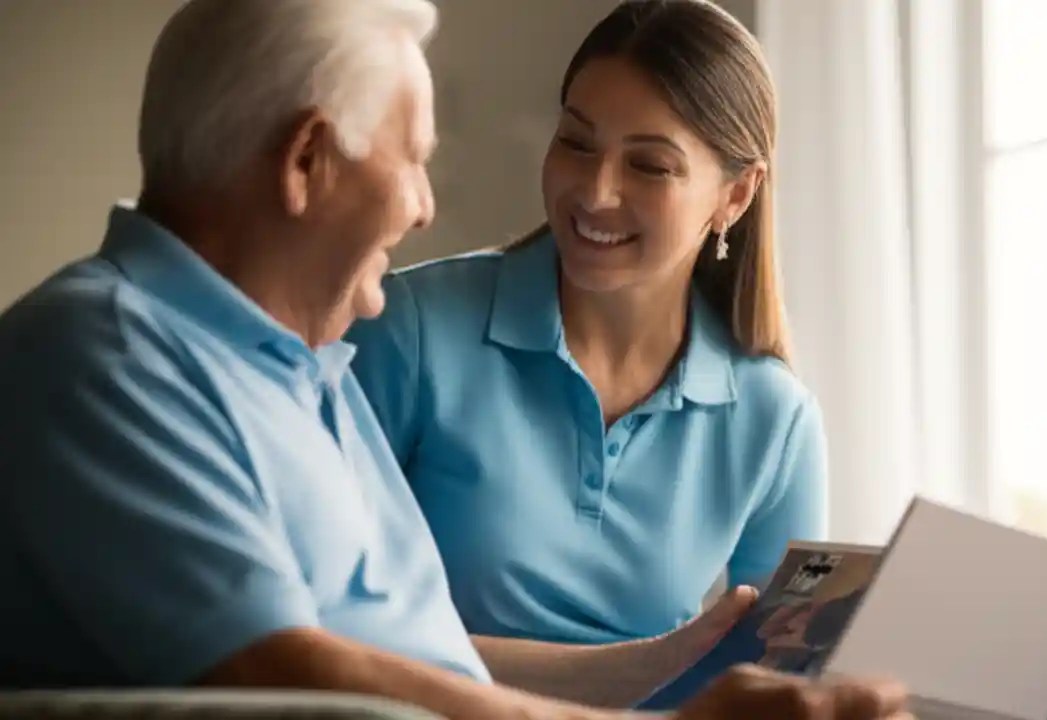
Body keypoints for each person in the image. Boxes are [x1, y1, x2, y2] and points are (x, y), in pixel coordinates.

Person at [0, 1, 912, 719]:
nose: (427, 207)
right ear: (308, 161)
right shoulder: (105, 352)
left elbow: (421, 654)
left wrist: (688, 668)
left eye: (650, 166)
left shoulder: (303, 378)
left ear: (734, 195)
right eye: (414, 161)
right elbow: (285, 677)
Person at [346, 0, 828, 683]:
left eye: (650, 166)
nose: (596, 191)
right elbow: (331, 633)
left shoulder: (776, 420)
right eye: (576, 142)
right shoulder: (412, 330)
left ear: (736, 196)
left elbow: (778, 683)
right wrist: (652, 664)